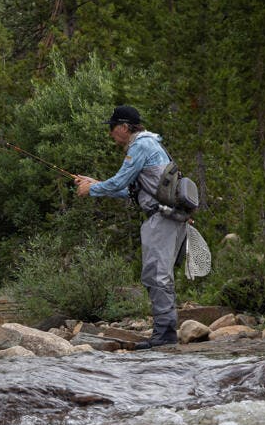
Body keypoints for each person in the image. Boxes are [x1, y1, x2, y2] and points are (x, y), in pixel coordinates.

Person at [74, 105, 188, 349]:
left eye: (113, 128)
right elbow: (131, 191)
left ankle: (165, 335)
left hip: (162, 220)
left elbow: (120, 181)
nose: (111, 134)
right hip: (165, 218)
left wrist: (92, 188)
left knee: (158, 275)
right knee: (154, 274)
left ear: (125, 127)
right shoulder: (150, 144)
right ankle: (164, 332)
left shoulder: (141, 145)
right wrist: (97, 185)